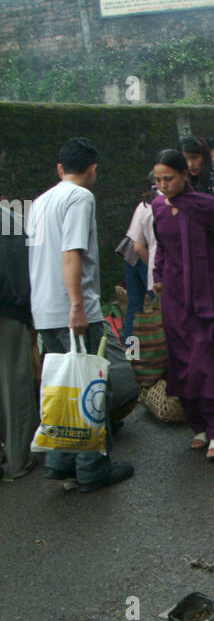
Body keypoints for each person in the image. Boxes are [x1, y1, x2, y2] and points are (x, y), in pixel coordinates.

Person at [27, 137, 133, 492]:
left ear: (59, 169)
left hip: (44, 308)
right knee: (90, 387)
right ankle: (92, 469)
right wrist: (76, 305)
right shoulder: (80, 197)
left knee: (62, 386)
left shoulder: (40, 202)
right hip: (72, 309)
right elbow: (71, 253)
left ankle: (60, 463)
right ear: (93, 169)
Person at [151, 150, 214, 461]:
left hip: (206, 295)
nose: (163, 185)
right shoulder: (158, 207)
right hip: (174, 299)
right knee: (181, 363)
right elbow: (160, 247)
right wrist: (157, 275)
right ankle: (198, 426)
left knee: (205, 363)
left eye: (169, 179)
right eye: (158, 180)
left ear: (184, 175)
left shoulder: (203, 205)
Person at [0, 200, 37, 481]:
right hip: (9, 311)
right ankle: (18, 460)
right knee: (15, 386)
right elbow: (25, 269)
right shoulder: (12, 220)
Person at [116, 185, 154, 345]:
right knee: (159, 304)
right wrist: (154, 269)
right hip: (143, 254)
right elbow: (139, 247)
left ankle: (132, 353)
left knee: (134, 305)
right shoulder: (159, 205)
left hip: (130, 253)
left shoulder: (142, 205)